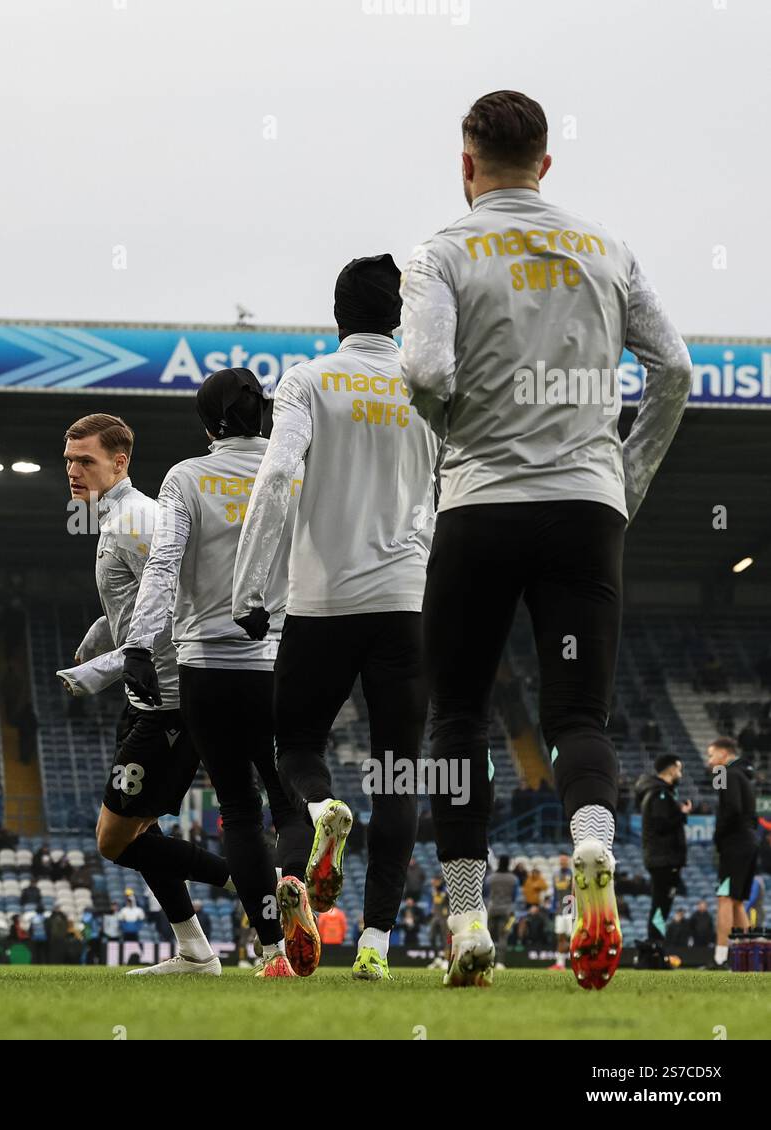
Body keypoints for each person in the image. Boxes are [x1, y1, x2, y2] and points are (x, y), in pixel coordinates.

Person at [400, 90, 691, 991]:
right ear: (548, 164)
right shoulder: (606, 248)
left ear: (466, 163)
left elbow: (424, 369)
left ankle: (465, 918)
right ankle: (592, 849)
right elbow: (674, 370)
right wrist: (623, 481)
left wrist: (457, 434)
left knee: (454, 716)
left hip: (481, 503)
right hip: (584, 509)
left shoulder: (442, 252)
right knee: (578, 719)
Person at [233, 254, 438, 983]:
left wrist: (250, 588)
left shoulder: (309, 380)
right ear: (400, 317)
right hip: (406, 604)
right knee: (398, 773)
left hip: (321, 601)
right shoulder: (427, 386)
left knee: (295, 747)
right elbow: (444, 498)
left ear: (338, 314)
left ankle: (319, 810)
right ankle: (378, 946)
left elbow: (278, 475)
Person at [122, 370, 312, 979]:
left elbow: (163, 564)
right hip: (277, 660)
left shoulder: (186, 477)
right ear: (265, 415)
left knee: (237, 808)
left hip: (205, 665)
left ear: (207, 423)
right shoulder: (297, 471)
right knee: (289, 802)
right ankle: (294, 882)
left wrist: (138, 645)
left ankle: (273, 952)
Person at [55, 413, 233, 975]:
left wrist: (105, 667)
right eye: (68, 460)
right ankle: (195, 953)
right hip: (144, 702)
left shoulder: (137, 519)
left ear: (120, 462)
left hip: (172, 702)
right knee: (142, 830)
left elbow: (176, 608)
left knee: (112, 841)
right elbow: (132, 604)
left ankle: (258, 879)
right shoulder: (114, 520)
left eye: (86, 461)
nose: (73, 471)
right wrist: (95, 640)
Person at [705, 737, 758, 969]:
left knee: (725, 899)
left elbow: (730, 809)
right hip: (747, 842)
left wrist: (718, 835)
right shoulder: (740, 776)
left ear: (725, 754)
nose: (709, 761)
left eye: (712, 754)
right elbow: (724, 802)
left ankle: (720, 958)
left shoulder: (726, 774)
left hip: (734, 844)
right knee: (737, 902)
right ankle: (749, 960)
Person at [635, 753, 690, 967]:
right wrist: (681, 813)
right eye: (678, 769)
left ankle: (654, 948)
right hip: (663, 859)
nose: (680, 774)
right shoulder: (659, 795)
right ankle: (654, 949)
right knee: (660, 906)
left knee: (661, 905)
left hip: (662, 859)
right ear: (669, 770)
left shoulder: (659, 794)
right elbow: (661, 825)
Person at [487, 855, 518, 966]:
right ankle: (500, 963)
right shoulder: (513, 878)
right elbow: (515, 896)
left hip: (492, 909)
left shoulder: (491, 878)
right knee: (503, 936)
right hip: (506, 910)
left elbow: (486, 893)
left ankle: (487, 961)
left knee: (488, 935)